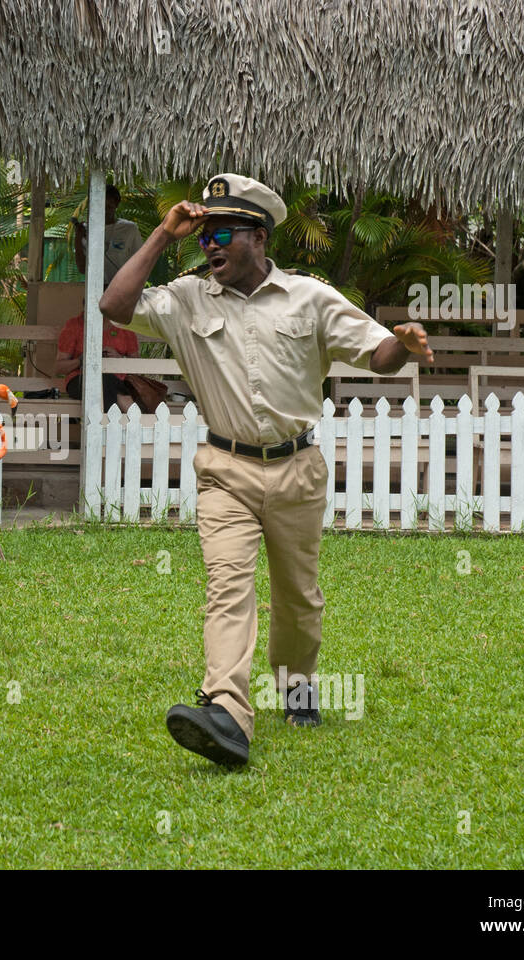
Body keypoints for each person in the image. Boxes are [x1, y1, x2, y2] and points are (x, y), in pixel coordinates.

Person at [99, 173, 433, 768]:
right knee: (227, 588)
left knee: (298, 596)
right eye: (204, 238)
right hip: (224, 469)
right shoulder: (185, 298)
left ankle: (297, 685)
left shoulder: (311, 298)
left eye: (222, 233)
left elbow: (378, 357)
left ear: (258, 237)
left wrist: (404, 342)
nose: (210, 246)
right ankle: (226, 711)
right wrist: (160, 235)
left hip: (297, 469)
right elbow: (114, 306)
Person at [55, 303, 139, 413]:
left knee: (108, 382)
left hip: (119, 380)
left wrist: (118, 358)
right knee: (104, 381)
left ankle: (105, 425)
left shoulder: (124, 326)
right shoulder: (75, 325)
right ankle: (131, 417)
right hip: (81, 379)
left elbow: (136, 367)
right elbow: (59, 368)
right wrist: (82, 360)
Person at [73, 184, 145, 286]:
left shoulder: (129, 229)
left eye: (109, 206)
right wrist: (78, 239)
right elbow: (82, 268)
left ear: (116, 205)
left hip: (122, 289)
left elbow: (140, 263)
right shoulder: (84, 230)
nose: (105, 210)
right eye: (100, 205)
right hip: (95, 290)